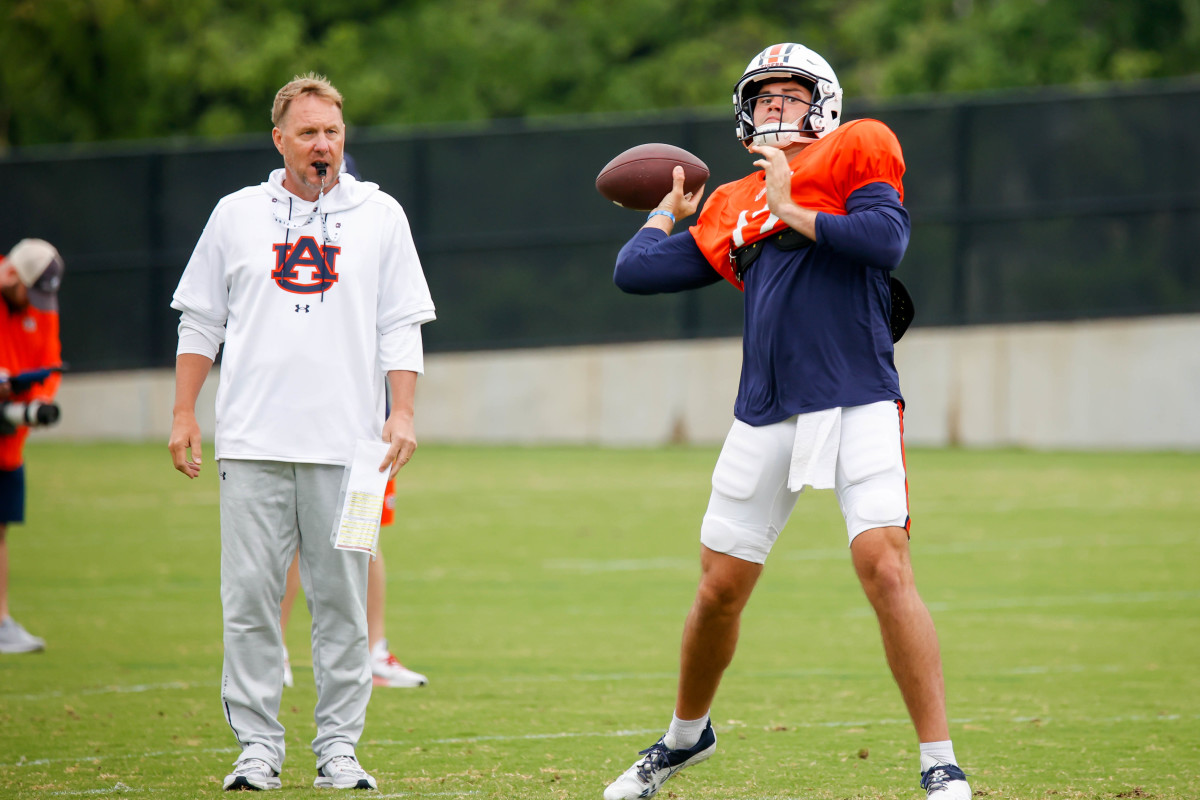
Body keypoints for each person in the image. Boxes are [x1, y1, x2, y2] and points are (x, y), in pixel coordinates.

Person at [601, 43, 971, 800]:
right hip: (765, 410)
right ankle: (684, 738)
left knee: (885, 565)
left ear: (822, 103)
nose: (775, 107)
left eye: (788, 96)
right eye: (762, 97)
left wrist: (794, 205)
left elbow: (885, 240)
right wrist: (664, 217)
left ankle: (940, 760)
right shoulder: (735, 200)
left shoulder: (859, 144)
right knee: (718, 592)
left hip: (858, 391)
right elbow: (636, 274)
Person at [168, 73, 435, 792]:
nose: (324, 145)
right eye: (310, 132)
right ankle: (257, 749)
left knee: (344, 608)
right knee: (250, 603)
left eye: (334, 133)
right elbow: (201, 320)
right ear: (280, 139)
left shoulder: (381, 214)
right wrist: (184, 412)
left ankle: (339, 750)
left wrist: (401, 412)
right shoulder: (236, 215)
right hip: (252, 446)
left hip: (353, 452)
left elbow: (400, 324)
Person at [277, 152, 428, 693]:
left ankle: (374, 651)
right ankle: (272, 651)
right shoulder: (289, 253)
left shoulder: (374, 245)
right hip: (295, 426)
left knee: (362, 537)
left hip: (361, 429)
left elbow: (400, 330)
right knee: (288, 540)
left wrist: (399, 411)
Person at [280, 478, 430, 690]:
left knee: (365, 524)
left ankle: (373, 652)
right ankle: (275, 651)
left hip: (362, 448)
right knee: (295, 522)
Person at [0, 239, 64, 655]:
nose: (38, 305)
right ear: (11, 275)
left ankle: (1, 621)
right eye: (32, 292)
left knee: (0, 528)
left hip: (9, 439)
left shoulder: (41, 309)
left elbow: (50, 361)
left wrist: (35, 400)